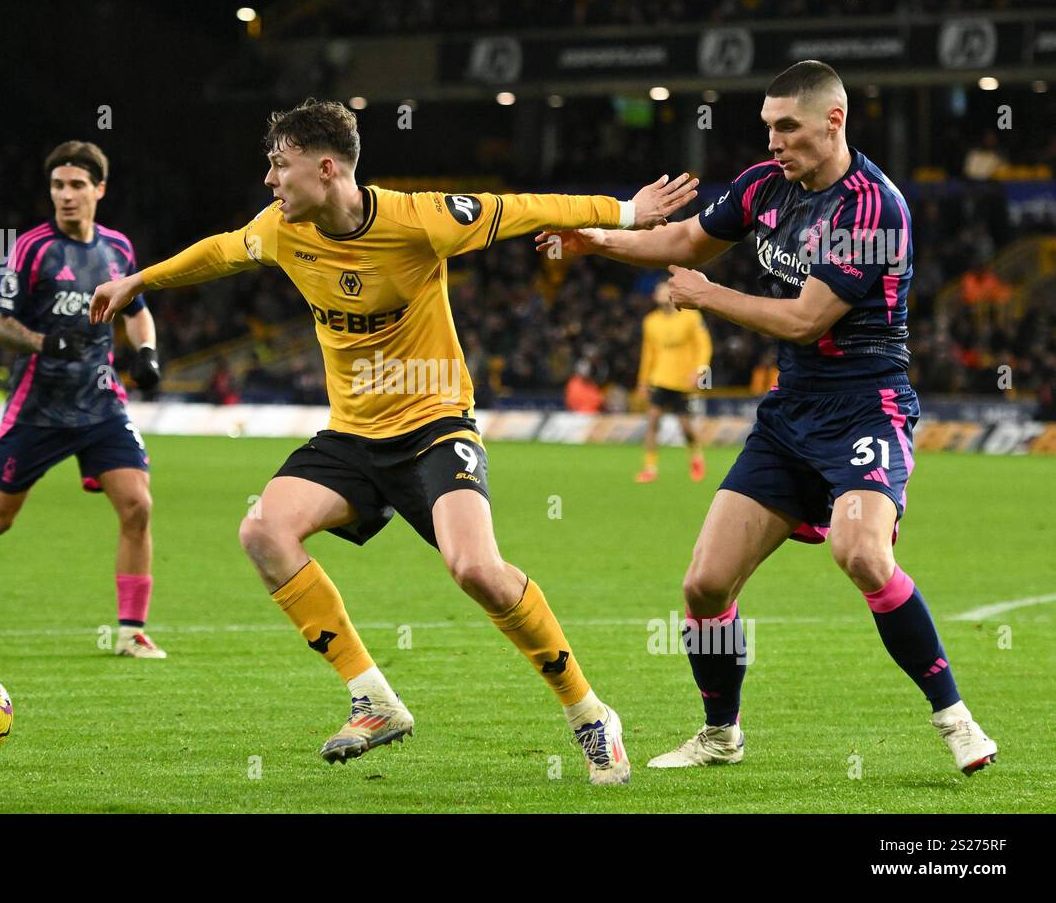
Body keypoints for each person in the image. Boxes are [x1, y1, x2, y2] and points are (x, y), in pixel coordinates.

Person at [91, 98, 699, 782]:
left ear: (326, 169)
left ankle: (589, 713)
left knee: (476, 569)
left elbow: (526, 208)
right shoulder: (283, 229)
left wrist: (622, 212)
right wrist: (140, 280)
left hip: (435, 427)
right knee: (263, 530)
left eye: (279, 165)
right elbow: (220, 252)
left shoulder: (421, 220)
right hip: (351, 437)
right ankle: (373, 699)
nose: (269, 181)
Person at [537, 61, 996, 776]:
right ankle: (721, 734)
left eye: (788, 126)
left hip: (864, 405)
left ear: (833, 121)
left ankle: (956, 719)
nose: (775, 141)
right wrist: (598, 240)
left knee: (863, 555)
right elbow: (686, 242)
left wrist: (708, 296)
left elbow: (809, 319)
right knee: (704, 584)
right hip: (791, 412)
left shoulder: (872, 207)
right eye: (768, 127)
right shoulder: (763, 186)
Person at [0, 141, 167, 659]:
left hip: (99, 401)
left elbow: (134, 310)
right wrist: (45, 341)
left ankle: (130, 630)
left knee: (137, 505)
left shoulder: (118, 249)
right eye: (57, 186)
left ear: (99, 190)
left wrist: (148, 352)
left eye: (77, 186)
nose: (65, 196)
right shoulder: (30, 248)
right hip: (38, 405)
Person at [634, 279, 711, 483]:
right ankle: (650, 467)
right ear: (654, 297)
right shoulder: (650, 321)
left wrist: (700, 371)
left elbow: (704, 345)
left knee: (685, 427)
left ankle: (696, 456)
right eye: (658, 291)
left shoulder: (691, 316)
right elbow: (648, 353)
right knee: (652, 421)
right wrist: (642, 381)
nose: (662, 294)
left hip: (682, 380)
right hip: (659, 378)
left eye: (665, 290)